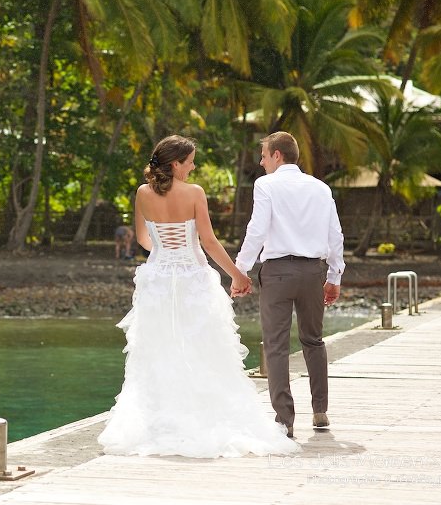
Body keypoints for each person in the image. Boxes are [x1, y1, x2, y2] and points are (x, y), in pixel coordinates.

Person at [98, 135, 300, 458]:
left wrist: (165, 247)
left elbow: (143, 239)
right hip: (192, 278)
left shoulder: (142, 193)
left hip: (157, 280)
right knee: (202, 348)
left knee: (160, 349)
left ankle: (161, 422)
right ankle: (202, 417)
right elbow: (208, 241)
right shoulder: (194, 193)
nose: (193, 167)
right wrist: (237, 275)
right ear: (175, 163)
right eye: (190, 162)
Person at [235, 131, 345, 438]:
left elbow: (257, 230)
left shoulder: (266, 185)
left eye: (264, 156)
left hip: (278, 273)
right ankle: (320, 411)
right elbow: (335, 234)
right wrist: (334, 277)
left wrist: (240, 270)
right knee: (314, 340)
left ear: (277, 155)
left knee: (276, 345)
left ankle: (285, 420)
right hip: (312, 272)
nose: (261, 162)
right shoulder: (321, 188)